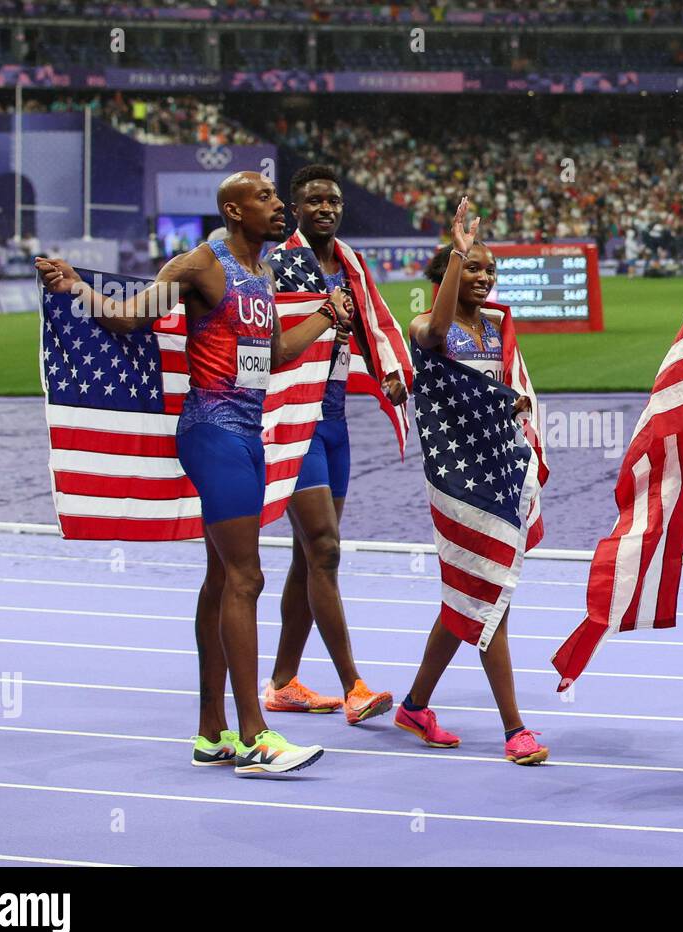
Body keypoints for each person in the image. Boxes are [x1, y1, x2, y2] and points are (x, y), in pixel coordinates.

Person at [35, 170, 353, 776]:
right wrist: (77, 284)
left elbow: (278, 353)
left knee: (222, 580)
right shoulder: (198, 266)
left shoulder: (262, 273)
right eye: (265, 197)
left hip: (248, 436)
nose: (279, 205)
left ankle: (211, 733)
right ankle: (256, 736)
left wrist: (327, 317)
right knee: (246, 578)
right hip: (212, 434)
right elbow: (129, 320)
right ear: (234, 211)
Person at [394, 196, 548, 766]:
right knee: (489, 598)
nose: (483, 276)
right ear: (444, 276)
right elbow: (433, 329)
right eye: (471, 268)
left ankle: (414, 705)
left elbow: (508, 389)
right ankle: (515, 730)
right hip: (458, 481)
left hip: (500, 469)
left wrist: (519, 407)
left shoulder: (498, 331)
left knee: (466, 593)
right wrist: (457, 252)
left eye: (488, 269)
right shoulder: (427, 326)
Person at [264, 164, 405, 724]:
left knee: (309, 554)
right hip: (291, 413)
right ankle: (354, 686)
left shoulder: (349, 263)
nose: (326, 208)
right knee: (324, 548)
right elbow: (265, 340)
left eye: (333, 200)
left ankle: (282, 682)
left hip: (334, 416)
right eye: (314, 200)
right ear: (296, 209)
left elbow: (374, 325)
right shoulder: (280, 264)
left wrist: (389, 370)